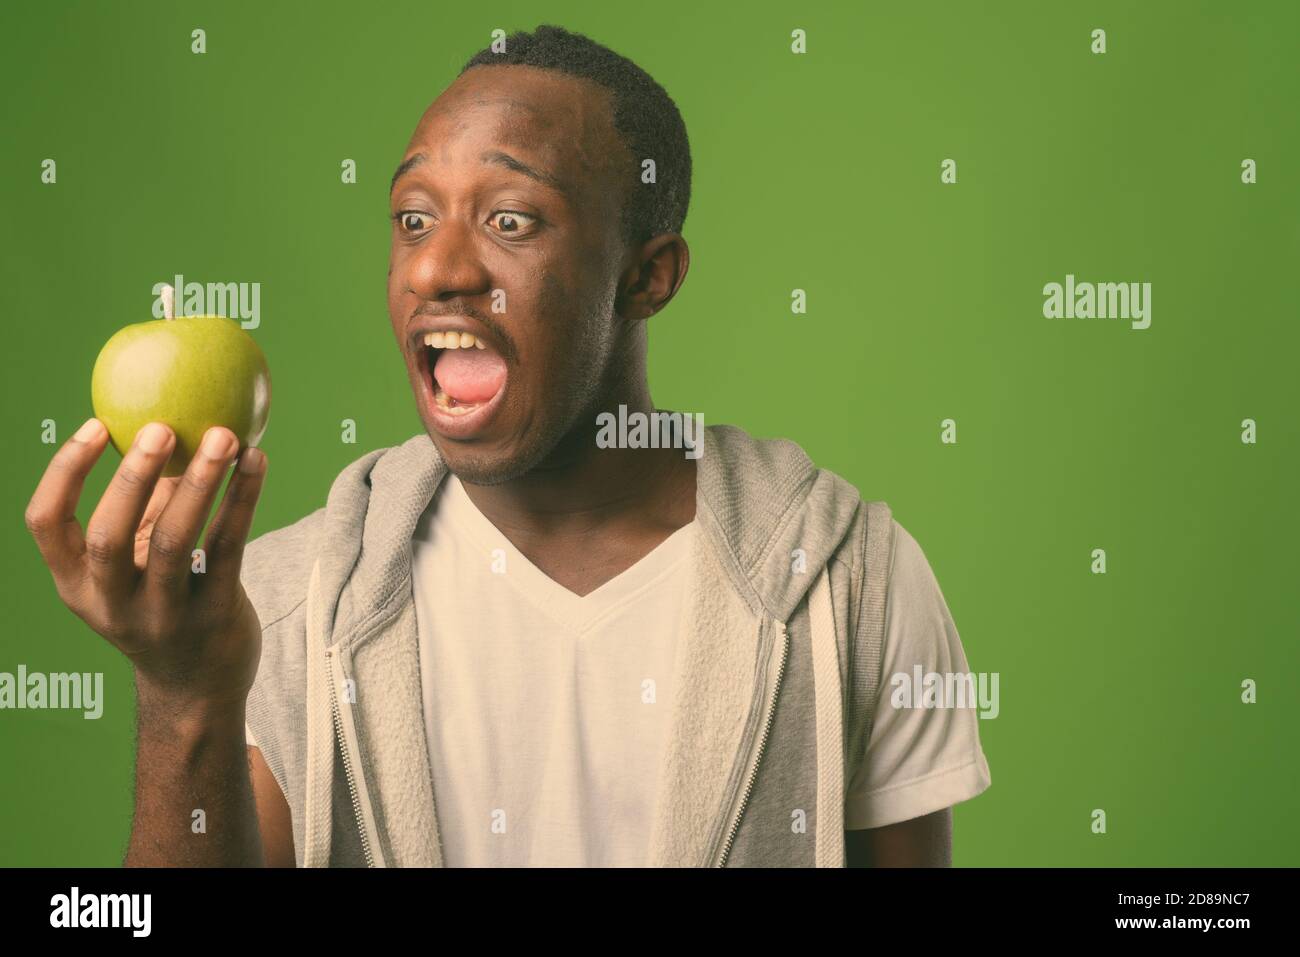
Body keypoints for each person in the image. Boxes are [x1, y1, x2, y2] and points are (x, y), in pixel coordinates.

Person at [24, 25, 990, 868]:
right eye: (413, 218)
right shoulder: (284, 607)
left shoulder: (852, 586)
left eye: (511, 221)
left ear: (649, 277)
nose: (437, 268)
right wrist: (184, 693)